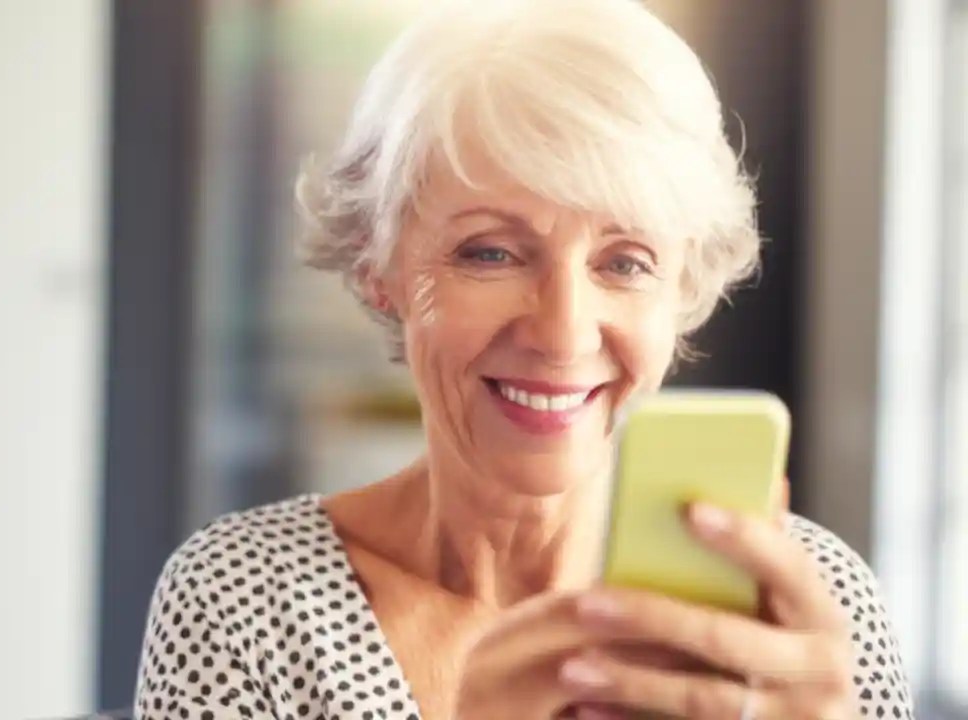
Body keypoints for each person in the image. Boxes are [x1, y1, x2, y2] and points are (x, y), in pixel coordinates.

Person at [134, 0, 912, 717]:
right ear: (380, 267)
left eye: (626, 262)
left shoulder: (808, 616)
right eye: (491, 253)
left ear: (682, 287)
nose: (564, 334)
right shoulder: (241, 600)